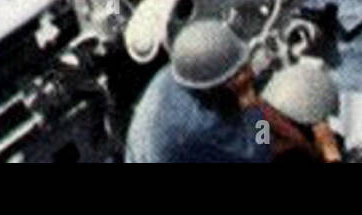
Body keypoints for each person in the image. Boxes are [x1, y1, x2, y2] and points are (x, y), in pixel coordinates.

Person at [125, 19, 342, 163]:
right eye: (237, 71)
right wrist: (327, 149)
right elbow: (260, 149)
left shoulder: (175, 73)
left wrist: (301, 142)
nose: (247, 72)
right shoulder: (201, 126)